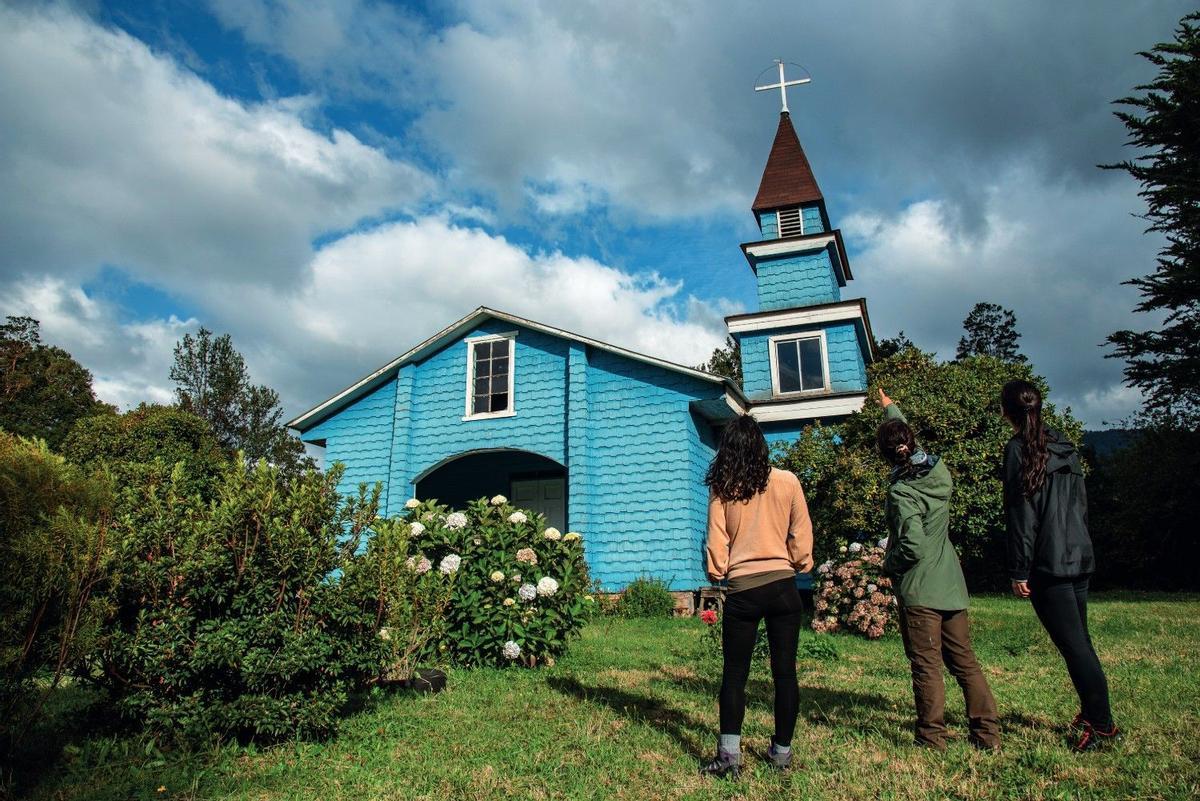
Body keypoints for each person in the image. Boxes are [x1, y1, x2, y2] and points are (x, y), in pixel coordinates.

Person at [877, 388, 1000, 752]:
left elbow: (912, 544)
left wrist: (890, 564)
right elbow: (904, 436)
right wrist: (889, 407)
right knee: (965, 662)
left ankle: (932, 737)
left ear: (885, 455)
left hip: (921, 589)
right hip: (951, 583)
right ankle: (987, 734)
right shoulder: (939, 471)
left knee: (927, 664)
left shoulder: (902, 491)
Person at [1001, 379, 1119, 752]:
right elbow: (1079, 503)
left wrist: (1019, 569)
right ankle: (1092, 713)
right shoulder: (1064, 444)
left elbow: (1023, 516)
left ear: (1008, 412)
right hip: (1079, 552)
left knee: (1075, 646)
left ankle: (1102, 726)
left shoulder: (1019, 450)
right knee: (1080, 641)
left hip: (1049, 562)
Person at [700, 414, 813, 778]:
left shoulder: (723, 488)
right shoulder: (788, 481)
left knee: (734, 675)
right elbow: (801, 535)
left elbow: (717, 546)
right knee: (785, 674)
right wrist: (798, 562)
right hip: (783, 587)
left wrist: (719, 571)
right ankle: (781, 753)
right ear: (761, 446)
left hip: (743, 590)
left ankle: (729, 758)